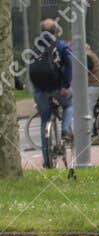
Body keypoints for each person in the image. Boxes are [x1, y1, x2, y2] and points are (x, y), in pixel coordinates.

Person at [26, 19, 72, 153]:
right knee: (69, 105)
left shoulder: (35, 47)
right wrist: (66, 85)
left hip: (40, 91)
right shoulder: (60, 45)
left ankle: (47, 160)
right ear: (56, 31)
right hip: (58, 88)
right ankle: (65, 130)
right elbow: (69, 65)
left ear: (41, 32)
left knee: (44, 122)